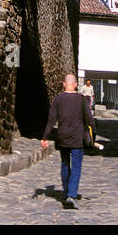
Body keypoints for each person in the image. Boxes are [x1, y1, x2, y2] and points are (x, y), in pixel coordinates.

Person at [40, 73, 95, 209]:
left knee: (65, 164)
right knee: (76, 166)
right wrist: (93, 137)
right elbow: (89, 120)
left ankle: (66, 193)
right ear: (76, 84)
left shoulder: (58, 100)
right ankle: (71, 195)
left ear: (64, 84)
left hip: (62, 138)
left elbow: (51, 120)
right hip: (77, 139)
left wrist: (45, 137)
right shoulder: (82, 100)